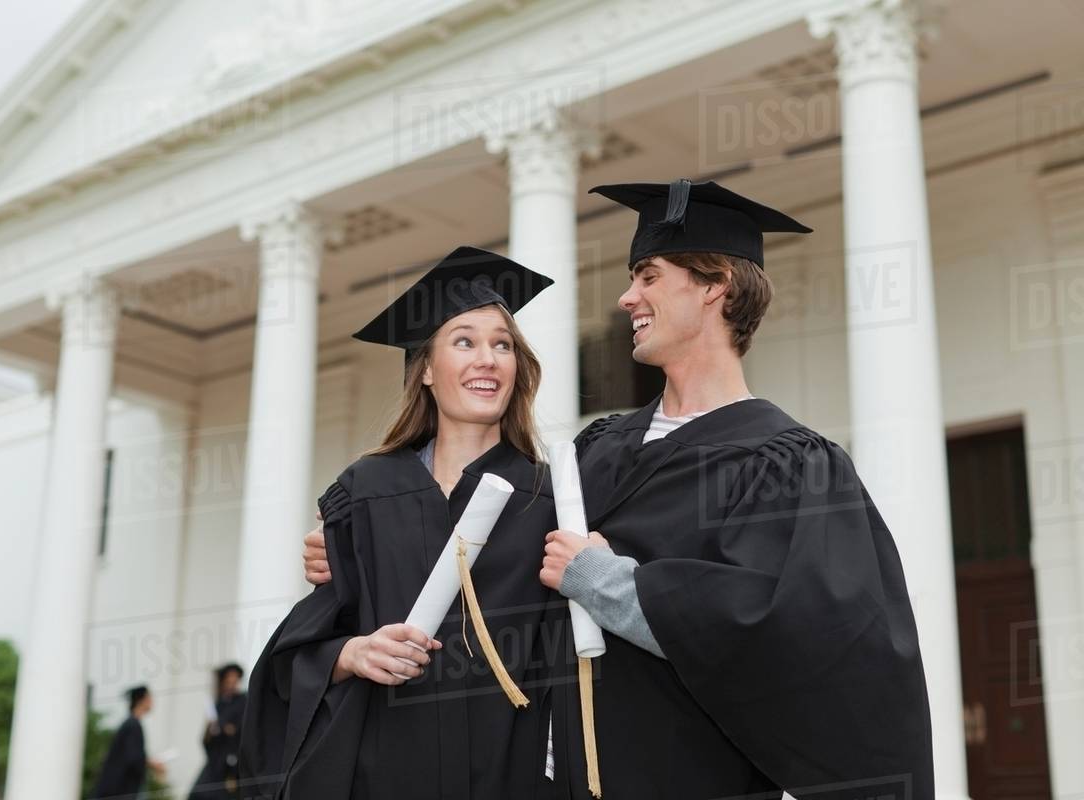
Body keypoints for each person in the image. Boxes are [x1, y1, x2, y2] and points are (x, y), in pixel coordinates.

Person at [305, 181, 936, 800]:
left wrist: (609, 582)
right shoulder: (596, 449)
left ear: (715, 285)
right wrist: (364, 537)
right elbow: (499, 560)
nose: (626, 296)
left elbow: (804, 640)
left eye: (649, 275)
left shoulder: (792, 466)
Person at [240, 247, 575, 800]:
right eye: (464, 341)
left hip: (511, 774)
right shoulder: (366, 492)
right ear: (424, 369)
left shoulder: (549, 498)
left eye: (503, 344)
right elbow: (296, 656)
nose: (488, 358)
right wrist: (352, 654)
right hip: (383, 771)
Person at [91, 685, 165, 800]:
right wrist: (153, 764)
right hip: (119, 790)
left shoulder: (130, 724)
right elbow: (134, 757)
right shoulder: (133, 725)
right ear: (142, 700)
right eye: (150, 698)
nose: (152, 702)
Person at [188, 663, 247, 800]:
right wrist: (212, 729)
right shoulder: (218, 704)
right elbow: (207, 739)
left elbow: (239, 732)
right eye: (228, 679)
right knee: (198, 794)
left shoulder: (243, 701)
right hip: (216, 762)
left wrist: (227, 729)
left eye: (235, 679)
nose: (231, 683)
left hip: (232, 764)